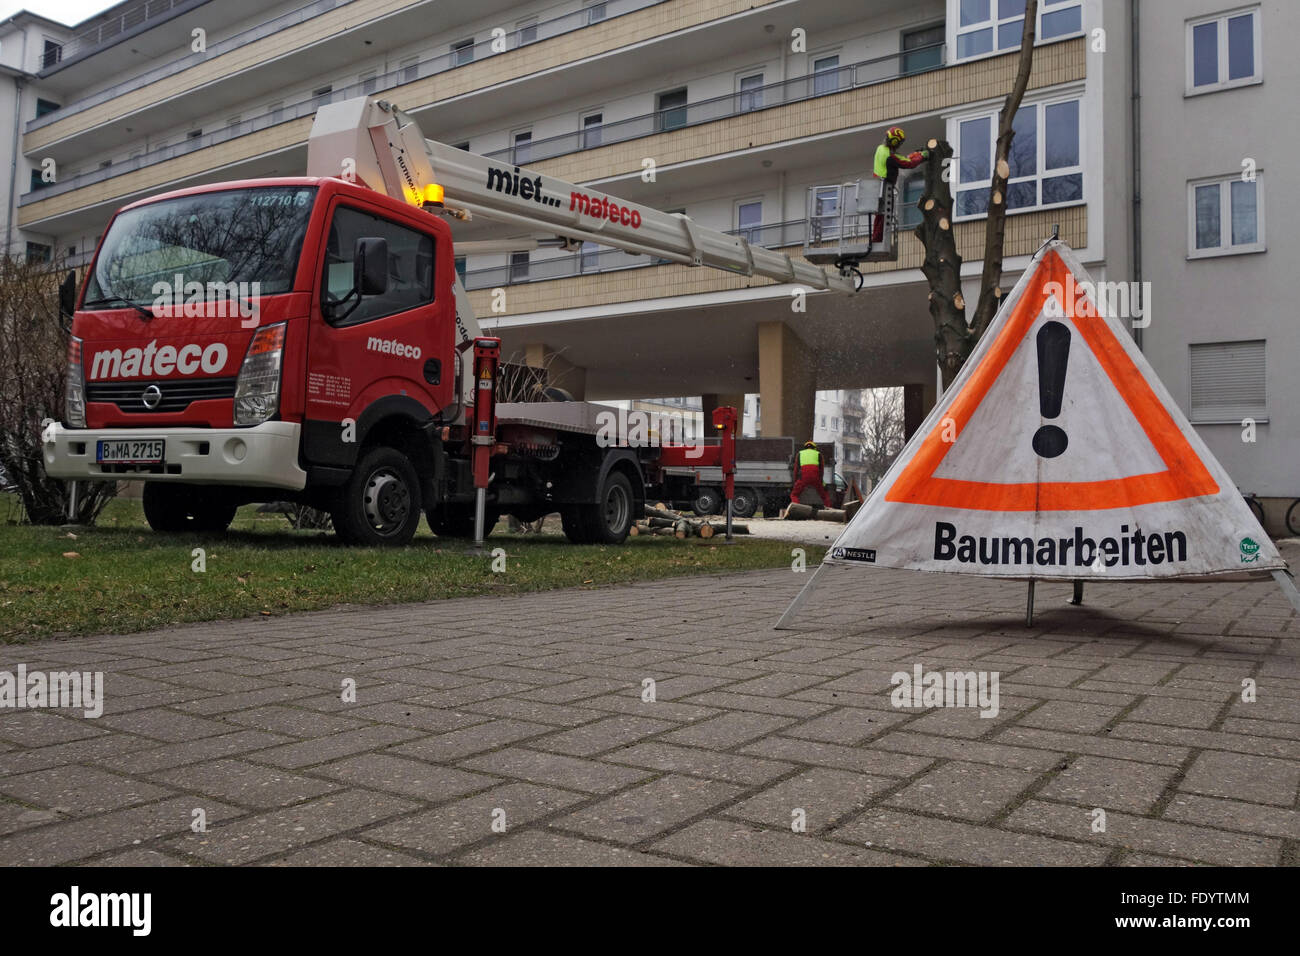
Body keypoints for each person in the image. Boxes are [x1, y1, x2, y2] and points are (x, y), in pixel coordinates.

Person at [872, 126, 928, 242]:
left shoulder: (881, 149)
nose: (899, 145)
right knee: (885, 214)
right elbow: (908, 163)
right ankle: (878, 240)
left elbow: (902, 158)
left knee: (880, 215)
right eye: (899, 143)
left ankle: (876, 238)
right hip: (885, 188)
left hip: (877, 186)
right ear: (895, 142)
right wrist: (922, 156)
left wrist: (915, 154)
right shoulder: (890, 157)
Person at [790, 441, 832, 508]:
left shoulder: (800, 453)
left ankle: (797, 509)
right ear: (814, 448)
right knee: (825, 496)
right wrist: (821, 482)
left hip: (804, 477)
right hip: (816, 477)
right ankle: (829, 509)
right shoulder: (818, 454)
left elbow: (796, 469)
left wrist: (795, 482)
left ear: (805, 448)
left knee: (794, 495)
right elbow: (821, 470)